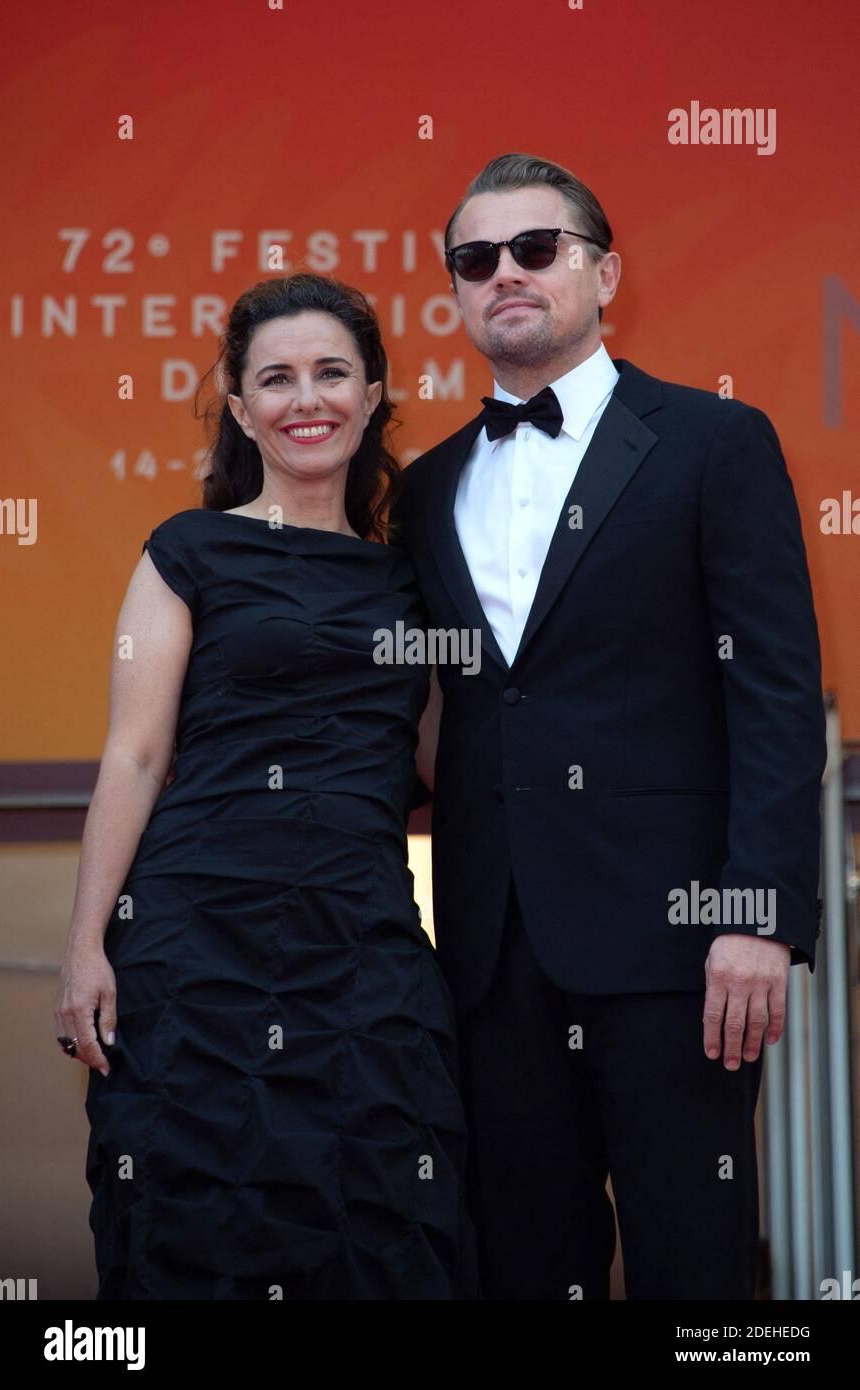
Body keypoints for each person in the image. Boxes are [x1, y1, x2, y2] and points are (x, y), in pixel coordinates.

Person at [392, 152, 827, 1300]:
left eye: (536, 249)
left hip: (679, 940)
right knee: (526, 1264)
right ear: (454, 294)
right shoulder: (427, 485)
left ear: (603, 273)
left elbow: (776, 693)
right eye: (474, 260)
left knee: (695, 1261)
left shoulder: (712, 442)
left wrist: (759, 914)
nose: (506, 275)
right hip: (489, 947)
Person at [55, 273, 480, 1300]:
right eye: (276, 379)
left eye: (331, 372)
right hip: (193, 947)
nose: (307, 399)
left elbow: (445, 764)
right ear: (242, 411)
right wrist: (85, 946)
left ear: (371, 392)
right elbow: (136, 757)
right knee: (193, 1218)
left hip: (363, 949)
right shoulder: (188, 550)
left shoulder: (410, 576)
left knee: (384, 1216)